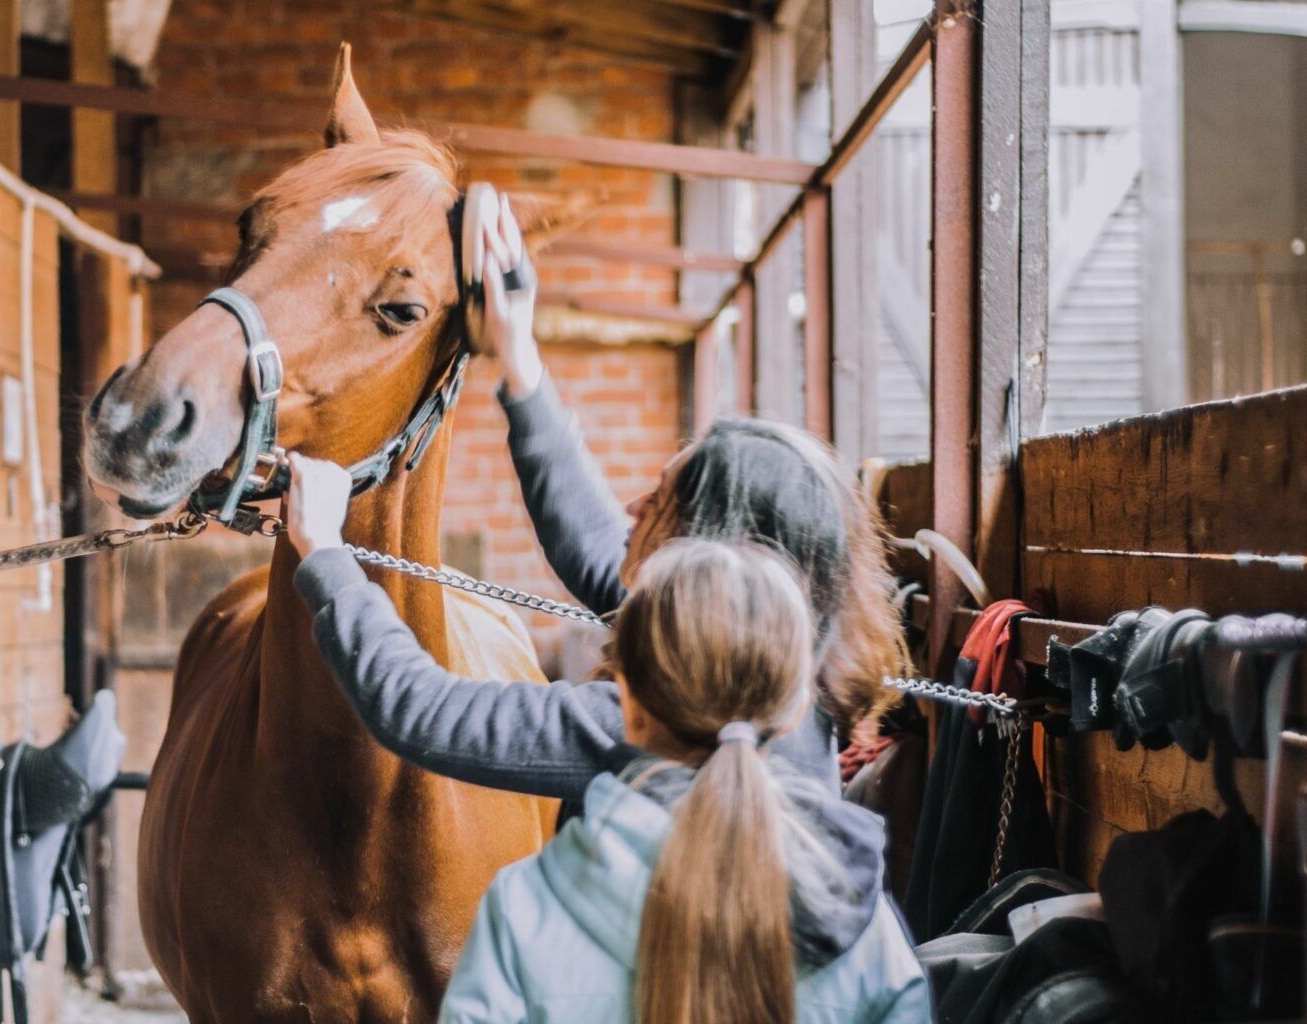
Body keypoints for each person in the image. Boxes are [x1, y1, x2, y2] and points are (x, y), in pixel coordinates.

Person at [286, 191, 907, 806]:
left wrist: (326, 555)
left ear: (715, 558)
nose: (632, 508)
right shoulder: (779, 676)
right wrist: (519, 358)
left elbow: (423, 712)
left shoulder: (658, 721)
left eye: (661, 503)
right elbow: (593, 548)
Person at [289, 504, 928, 1020]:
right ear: (794, 713)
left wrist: (323, 549)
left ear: (623, 697)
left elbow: (418, 704)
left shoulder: (524, 909)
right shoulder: (860, 917)